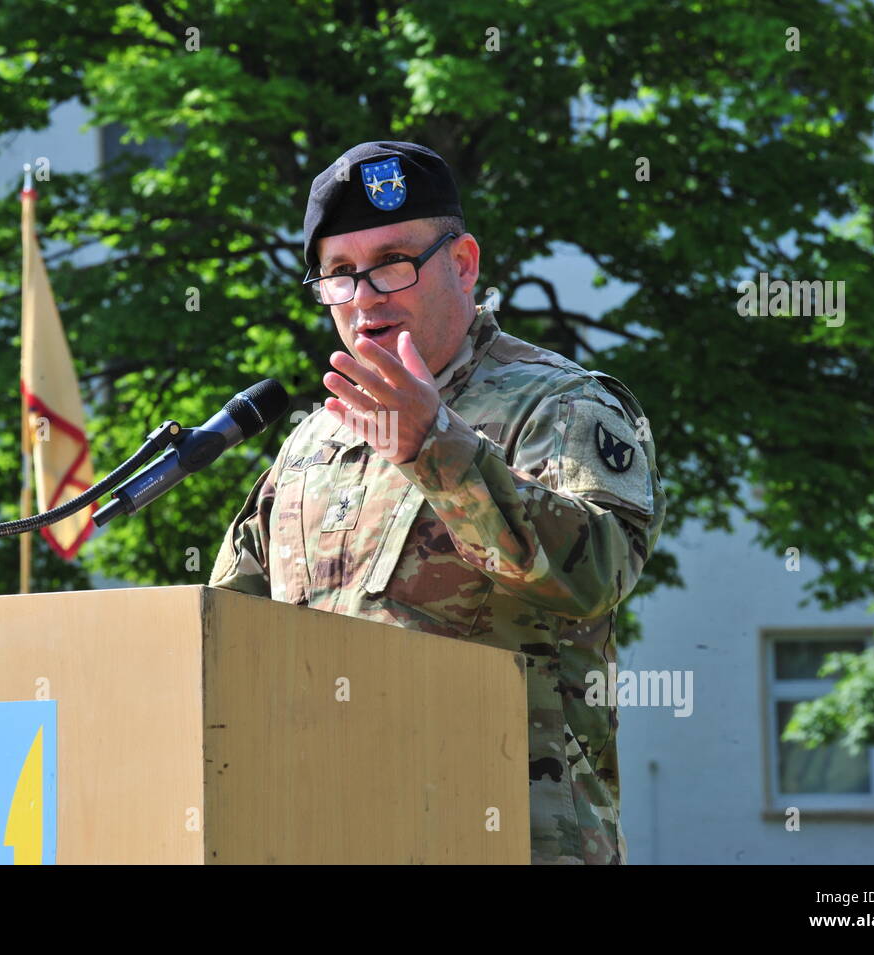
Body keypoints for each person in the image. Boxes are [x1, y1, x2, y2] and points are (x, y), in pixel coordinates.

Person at [209, 141, 666, 864]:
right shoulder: (308, 446)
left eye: (392, 263)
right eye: (338, 274)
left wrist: (437, 446)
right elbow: (225, 639)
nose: (364, 296)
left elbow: (597, 571)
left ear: (462, 265)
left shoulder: (562, 405)